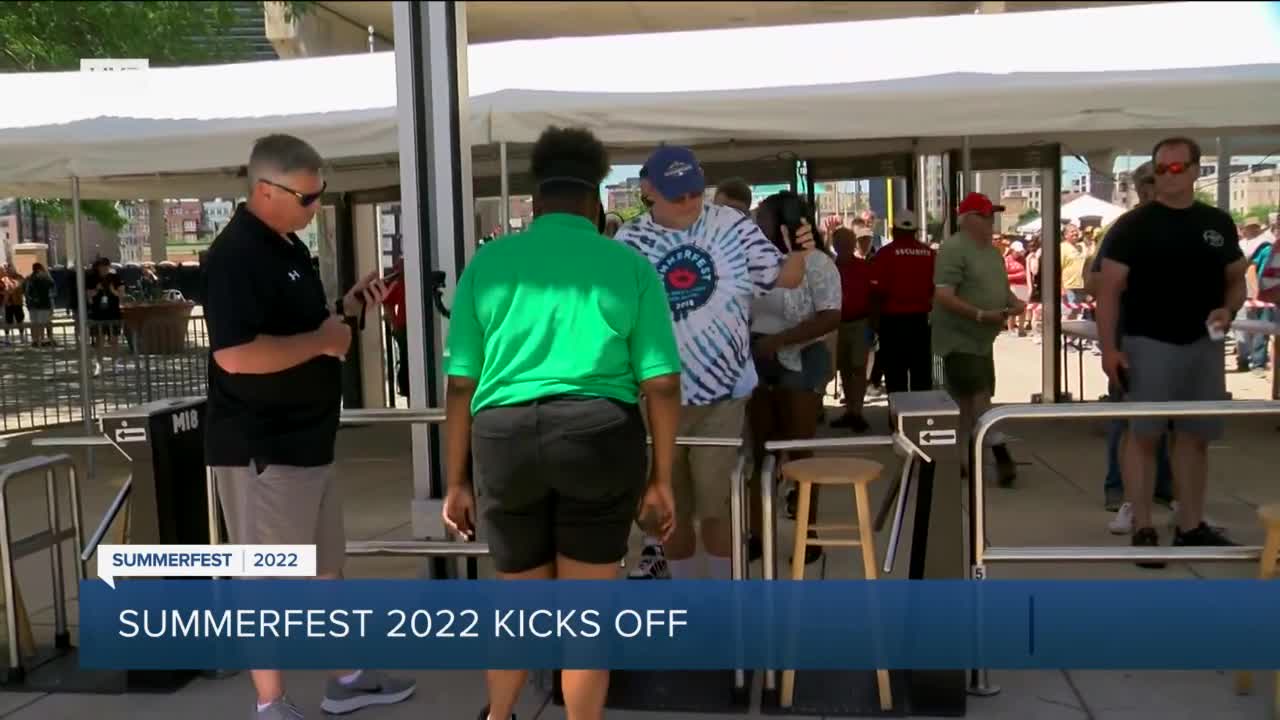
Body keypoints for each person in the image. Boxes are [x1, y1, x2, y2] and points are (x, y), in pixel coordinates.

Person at [441, 127, 682, 720]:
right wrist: (662, 477)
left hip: (504, 439)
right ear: (595, 203)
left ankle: (498, 717)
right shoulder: (626, 266)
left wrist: (456, 479)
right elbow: (662, 383)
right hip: (599, 436)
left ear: (535, 202)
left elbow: (459, 384)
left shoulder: (489, 266)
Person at [204, 134, 411, 720]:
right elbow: (236, 355)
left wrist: (344, 311)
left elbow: (300, 329)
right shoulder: (234, 256)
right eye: (308, 195)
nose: (317, 204)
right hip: (262, 449)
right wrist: (324, 339)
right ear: (265, 190)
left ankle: (345, 676)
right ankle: (270, 705)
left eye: (322, 193)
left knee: (325, 569)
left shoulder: (287, 247)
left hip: (306, 442)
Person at [615, 146, 812, 580]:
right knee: (671, 514)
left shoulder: (733, 226)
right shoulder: (628, 244)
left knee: (720, 508)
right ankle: (689, 604)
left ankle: (725, 608)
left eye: (693, 192)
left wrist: (800, 252)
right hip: (655, 400)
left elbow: (786, 277)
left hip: (723, 398)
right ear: (648, 190)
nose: (689, 202)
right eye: (676, 195)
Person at [1098, 137, 1245, 563]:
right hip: (1147, 342)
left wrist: (1228, 309)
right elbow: (1107, 291)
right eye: (1161, 169)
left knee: (1195, 437)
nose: (1167, 176)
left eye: (1176, 168)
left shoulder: (1217, 223)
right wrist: (1110, 350)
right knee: (1143, 436)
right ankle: (1143, 526)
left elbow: (1237, 277)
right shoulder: (1132, 226)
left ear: (1197, 170)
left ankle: (1190, 526)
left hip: (1203, 343)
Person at [748, 191, 841, 564]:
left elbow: (830, 315)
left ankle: (809, 535)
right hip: (757, 361)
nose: (757, 225)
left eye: (763, 219)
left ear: (783, 224)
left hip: (801, 360)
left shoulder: (818, 264)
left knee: (800, 455)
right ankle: (756, 534)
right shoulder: (754, 263)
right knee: (757, 453)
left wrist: (780, 341)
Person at [1083, 162, 1175, 523]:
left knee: (1173, 419)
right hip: (1131, 336)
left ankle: (1165, 488)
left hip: (1175, 337)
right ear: (1142, 188)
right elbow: (1093, 281)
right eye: (1152, 182)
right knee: (1126, 415)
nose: (1161, 189)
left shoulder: (1184, 223)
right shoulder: (1124, 228)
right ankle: (1117, 488)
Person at [931, 193, 1022, 487]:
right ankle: (998, 450)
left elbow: (1002, 289)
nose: (991, 221)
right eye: (985, 215)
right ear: (968, 219)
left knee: (968, 402)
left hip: (983, 341)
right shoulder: (954, 249)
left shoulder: (993, 252)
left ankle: (962, 460)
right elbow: (944, 295)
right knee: (976, 395)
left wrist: (1015, 303)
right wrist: (981, 315)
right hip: (957, 339)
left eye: (991, 215)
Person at [869, 209, 936, 393]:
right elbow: (935, 289)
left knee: (895, 377)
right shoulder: (929, 254)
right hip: (921, 323)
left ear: (894, 230)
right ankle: (921, 417)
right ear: (915, 230)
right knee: (921, 376)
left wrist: (874, 323)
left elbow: (876, 292)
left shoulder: (884, 254)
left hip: (892, 324)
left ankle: (897, 419)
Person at [830, 227, 874, 432]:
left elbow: (874, 297)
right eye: (840, 243)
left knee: (858, 368)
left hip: (860, 323)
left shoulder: (864, 267)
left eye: (848, 243)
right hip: (837, 324)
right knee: (845, 368)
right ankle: (850, 411)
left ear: (853, 244)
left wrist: (874, 324)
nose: (844, 247)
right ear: (835, 245)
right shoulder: (829, 268)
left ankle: (857, 412)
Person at [24, 263, 54, 347]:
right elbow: (52, 286)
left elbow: (25, 291)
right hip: (43, 304)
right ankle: (42, 340)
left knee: (34, 323)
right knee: (42, 323)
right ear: (41, 268)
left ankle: (35, 340)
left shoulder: (28, 278)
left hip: (32, 305)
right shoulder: (45, 277)